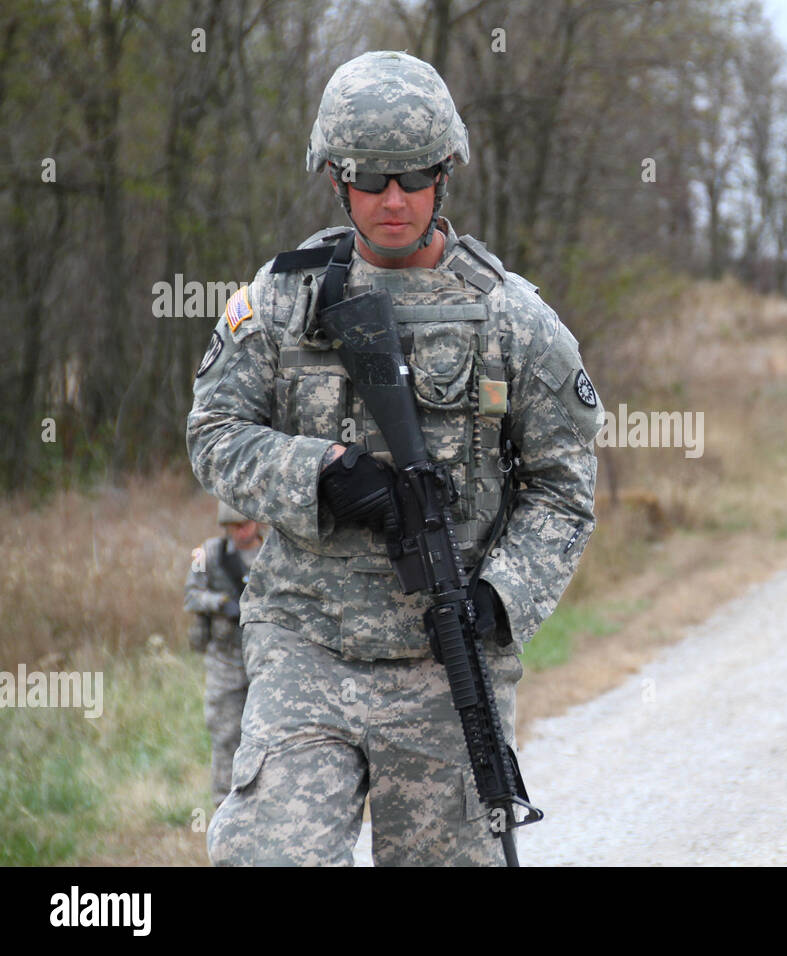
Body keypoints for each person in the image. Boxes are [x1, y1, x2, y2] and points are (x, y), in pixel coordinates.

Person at [186, 50, 601, 866]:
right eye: (370, 180)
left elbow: (562, 490)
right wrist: (321, 473)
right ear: (336, 179)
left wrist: (500, 597)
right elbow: (213, 435)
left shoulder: (512, 319)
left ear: (444, 174)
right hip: (306, 640)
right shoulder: (280, 301)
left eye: (413, 177)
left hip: (444, 665)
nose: (394, 200)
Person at [184, 501, 263, 807]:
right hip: (226, 660)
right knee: (225, 735)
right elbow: (191, 595)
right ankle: (224, 806)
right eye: (233, 527)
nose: (240, 532)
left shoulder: (275, 551)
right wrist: (221, 602)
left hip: (264, 659)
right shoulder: (207, 553)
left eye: (245, 525)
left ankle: (260, 806)